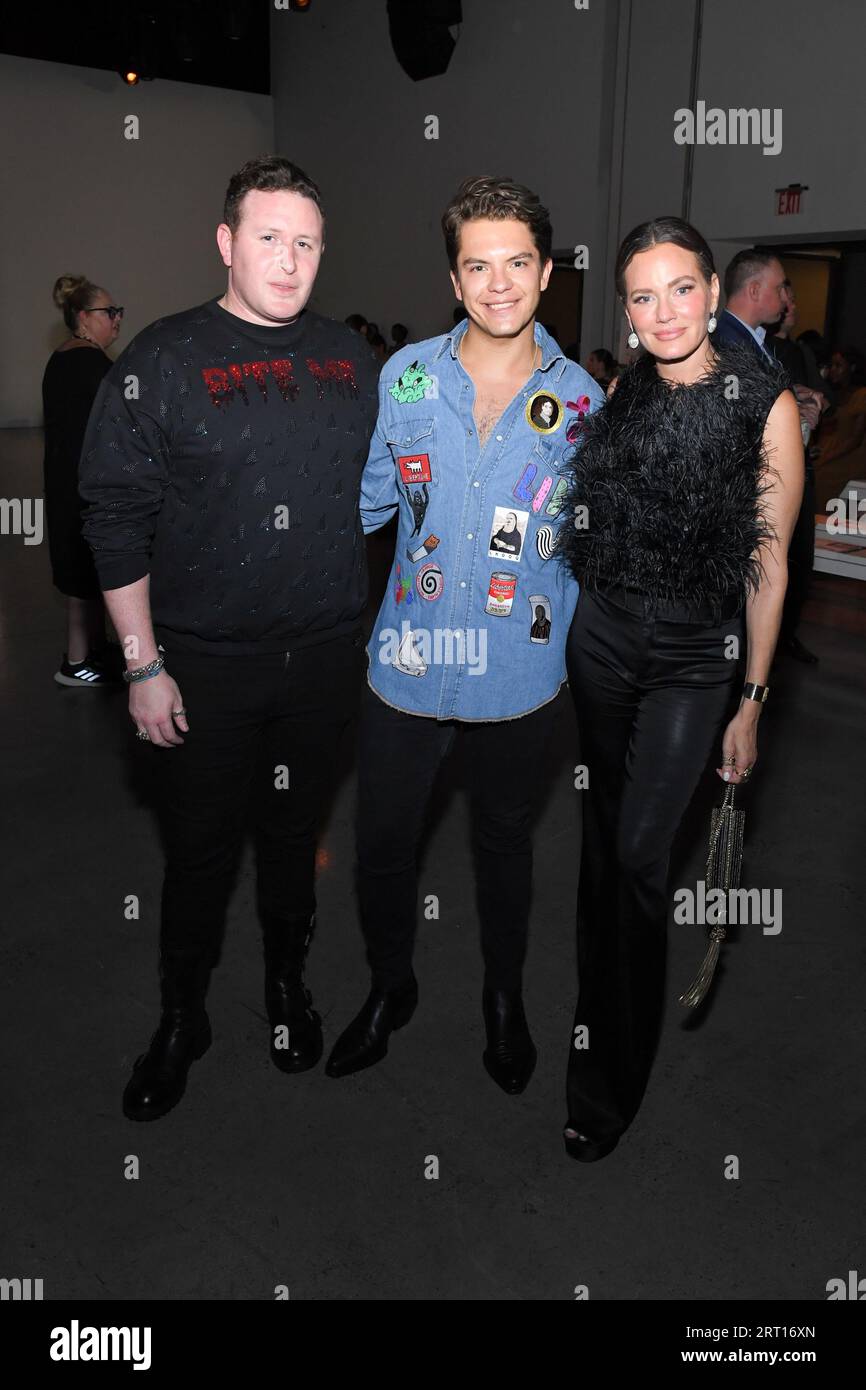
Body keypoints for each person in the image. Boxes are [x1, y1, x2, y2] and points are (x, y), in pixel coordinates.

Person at [79, 156, 379, 1121]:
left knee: (295, 840)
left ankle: (286, 987)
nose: (288, 261)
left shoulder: (350, 361)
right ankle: (182, 1015)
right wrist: (143, 665)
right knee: (201, 852)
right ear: (226, 242)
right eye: (267, 239)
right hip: (203, 665)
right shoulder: (161, 363)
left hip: (325, 661)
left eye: (305, 243)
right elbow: (113, 518)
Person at [325, 175, 604, 1092]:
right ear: (453, 276)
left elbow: (601, 540)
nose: (497, 283)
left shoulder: (586, 403)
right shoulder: (404, 377)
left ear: (546, 270)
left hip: (520, 675)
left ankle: (503, 999)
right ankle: (391, 986)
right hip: (406, 665)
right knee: (382, 848)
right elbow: (366, 505)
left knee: (505, 850)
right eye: (477, 265)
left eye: (516, 263)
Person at [557, 216, 802, 1162]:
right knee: (600, 849)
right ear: (628, 307)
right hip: (602, 641)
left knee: (639, 859)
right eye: (642, 295)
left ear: (711, 290)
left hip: (695, 662)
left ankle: (608, 1083)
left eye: (681, 289)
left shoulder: (761, 403)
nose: (664, 311)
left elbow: (771, 569)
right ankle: (592, 1016)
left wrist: (753, 697)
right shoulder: (622, 395)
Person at [43, 276, 125, 687]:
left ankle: (91, 650)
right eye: (108, 313)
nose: (116, 320)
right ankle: (76, 664)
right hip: (82, 486)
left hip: (67, 483)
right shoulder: (90, 364)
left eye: (117, 312)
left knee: (86, 572)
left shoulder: (63, 357)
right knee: (83, 573)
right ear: (83, 318)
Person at [765, 289, 828, 664]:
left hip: (801, 461)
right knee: (776, 557)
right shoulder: (763, 347)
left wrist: (814, 400)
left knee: (800, 557)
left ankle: (785, 637)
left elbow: (823, 397)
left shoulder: (798, 353)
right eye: (784, 296)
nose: (791, 305)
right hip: (778, 463)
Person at [812, 346, 866, 513]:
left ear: (852, 367)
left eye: (838, 366)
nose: (833, 370)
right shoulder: (831, 393)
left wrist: (826, 458)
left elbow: (855, 439)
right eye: (831, 366)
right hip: (829, 450)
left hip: (849, 457)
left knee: (822, 477)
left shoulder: (862, 395)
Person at [712, 249, 789, 360]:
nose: (785, 298)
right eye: (779, 288)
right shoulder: (730, 348)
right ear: (754, 291)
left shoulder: (747, 339)